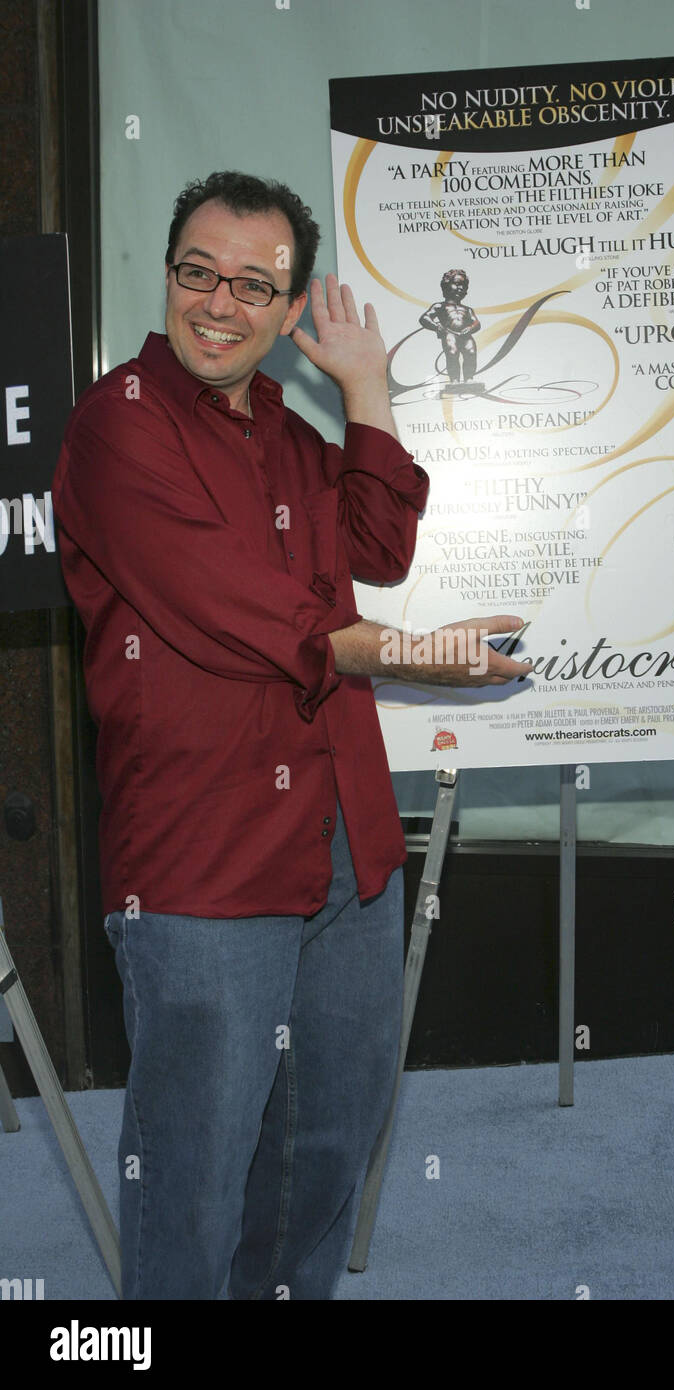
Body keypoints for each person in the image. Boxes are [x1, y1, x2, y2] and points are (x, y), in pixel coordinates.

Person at [52, 170, 526, 1301]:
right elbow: (239, 611)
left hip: (344, 844)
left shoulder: (282, 425)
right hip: (203, 857)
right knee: (195, 1174)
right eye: (199, 273)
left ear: (285, 305)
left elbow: (379, 542)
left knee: (326, 1143)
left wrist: (365, 388)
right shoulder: (117, 425)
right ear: (169, 276)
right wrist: (410, 652)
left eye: (253, 285)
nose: (220, 303)